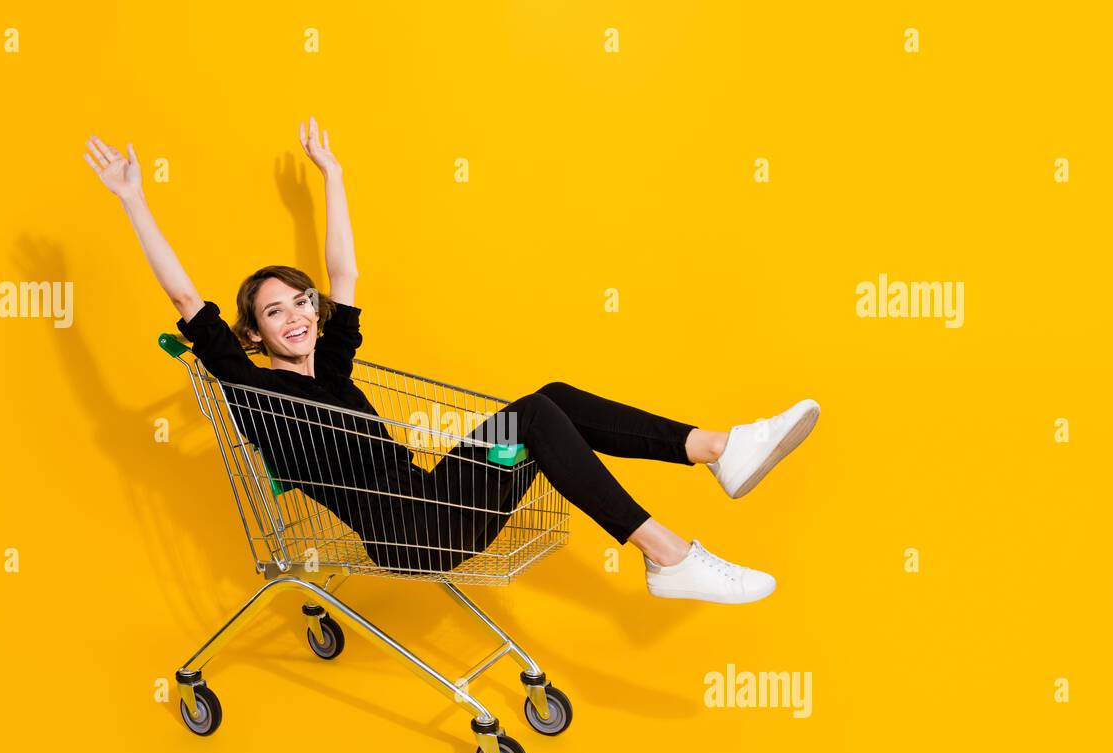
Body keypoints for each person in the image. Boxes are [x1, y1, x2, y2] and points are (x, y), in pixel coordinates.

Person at [84, 119, 820, 604]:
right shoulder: (250, 390)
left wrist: (332, 175)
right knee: (534, 412)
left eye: (300, 303)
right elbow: (185, 293)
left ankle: (719, 451)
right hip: (407, 531)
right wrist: (132, 201)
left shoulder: (333, 369)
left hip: (440, 502)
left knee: (551, 398)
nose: (298, 315)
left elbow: (344, 279)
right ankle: (668, 550)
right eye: (274, 311)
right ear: (253, 333)